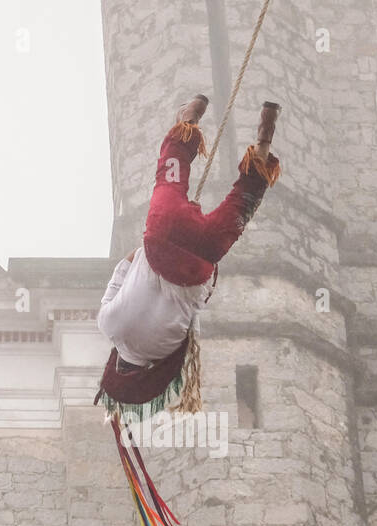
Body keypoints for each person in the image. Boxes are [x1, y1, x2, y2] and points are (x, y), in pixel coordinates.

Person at [95, 94, 281, 420]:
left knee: (243, 202)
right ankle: (189, 120)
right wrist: (154, 245)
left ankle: (264, 142)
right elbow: (125, 263)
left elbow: (197, 302)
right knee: (172, 165)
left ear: (146, 370)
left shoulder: (167, 349)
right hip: (162, 234)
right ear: (115, 362)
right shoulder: (107, 324)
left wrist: (203, 263)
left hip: (201, 258)